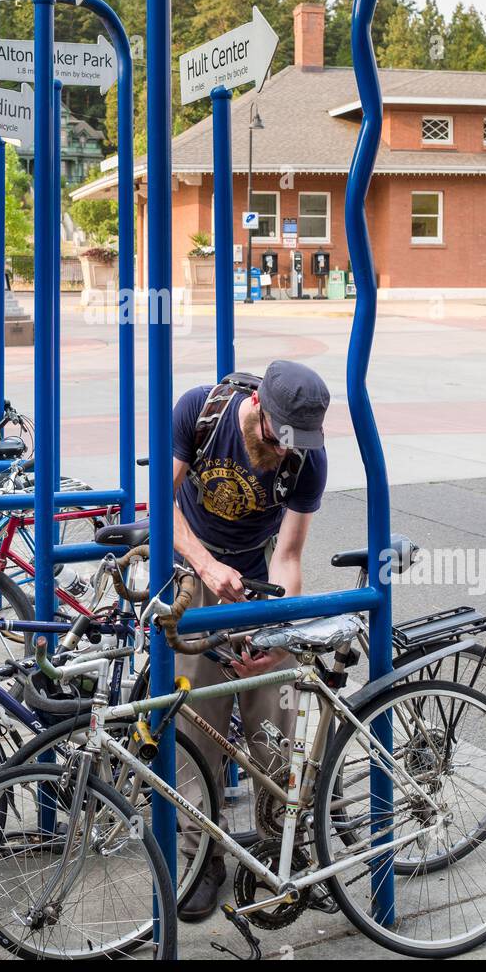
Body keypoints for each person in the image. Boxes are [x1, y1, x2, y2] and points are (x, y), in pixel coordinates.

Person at [172, 359, 329, 922]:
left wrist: (277, 629)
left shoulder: (306, 459)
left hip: (258, 584)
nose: (284, 450)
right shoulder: (200, 411)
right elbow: (161, 507)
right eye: (277, 436)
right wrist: (208, 567)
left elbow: (288, 555)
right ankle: (201, 859)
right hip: (194, 576)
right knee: (199, 729)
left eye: (297, 442)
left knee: (272, 728)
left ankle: (276, 849)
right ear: (259, 402)